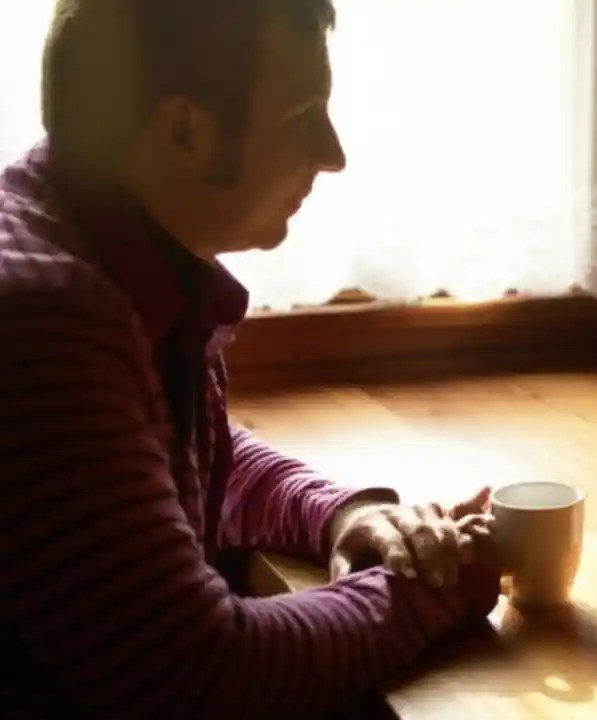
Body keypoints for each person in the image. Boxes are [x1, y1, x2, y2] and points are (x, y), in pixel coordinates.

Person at [0, 0, 499, 716]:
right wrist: (440, 583)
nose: (333, 154)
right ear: (185, 130)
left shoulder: (88, 244)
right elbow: (200, 672)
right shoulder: (44, 315)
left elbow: (157, 454)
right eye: (303, 117)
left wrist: (340, 512)